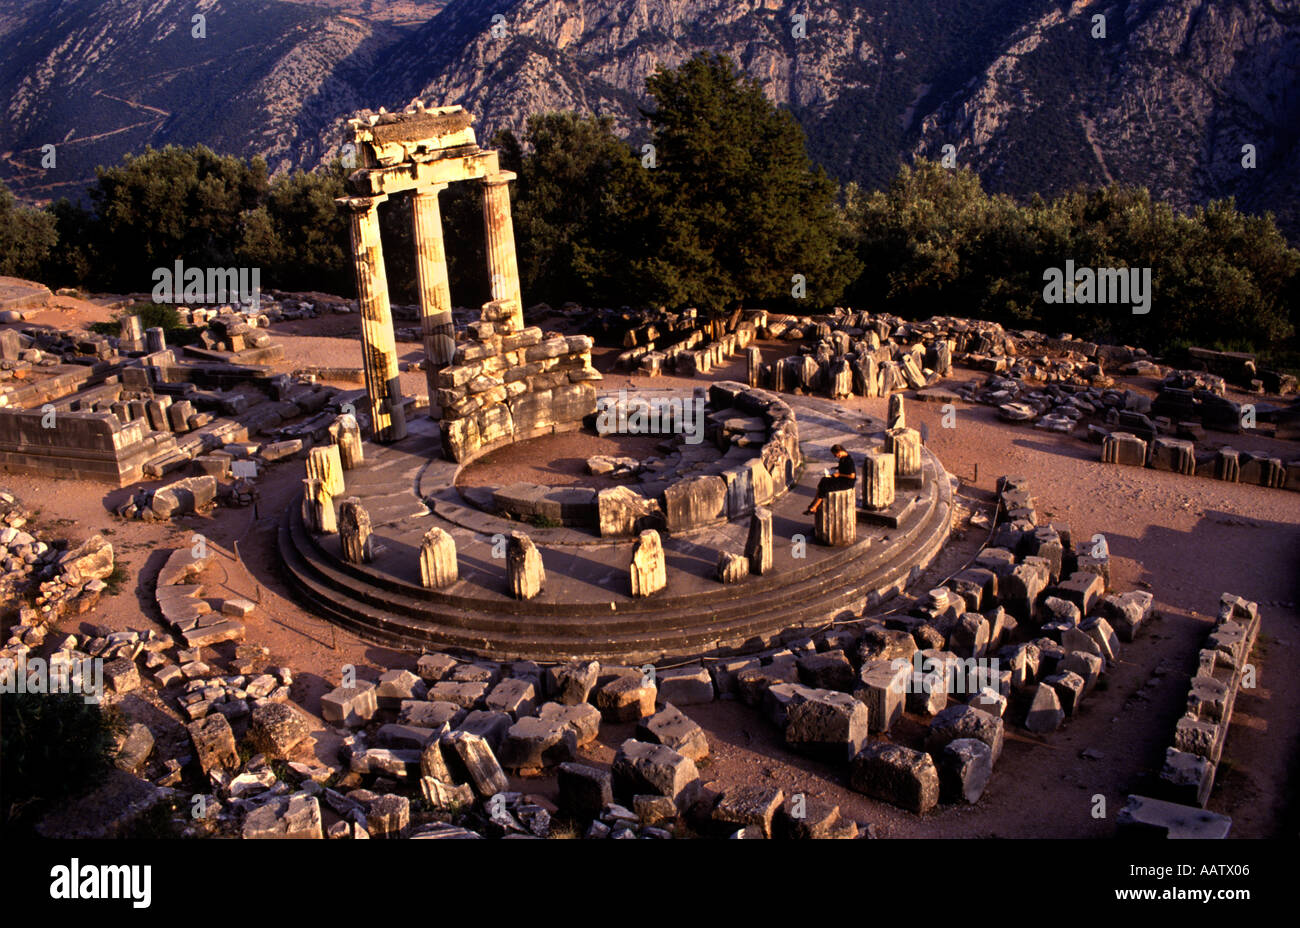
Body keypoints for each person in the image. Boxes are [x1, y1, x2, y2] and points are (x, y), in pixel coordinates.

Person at [805, 444, 856, 515]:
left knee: (826, 487)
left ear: (840, 451)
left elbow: (852, 476)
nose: (836, 457)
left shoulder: (849, 460)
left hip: (847, 482)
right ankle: (814, 501)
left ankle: (814, 507)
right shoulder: (843, 459)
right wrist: (836, 468)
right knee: (823, 480)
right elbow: (844, 468)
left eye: (836, 455)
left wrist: (839, 474)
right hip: (842, 479)